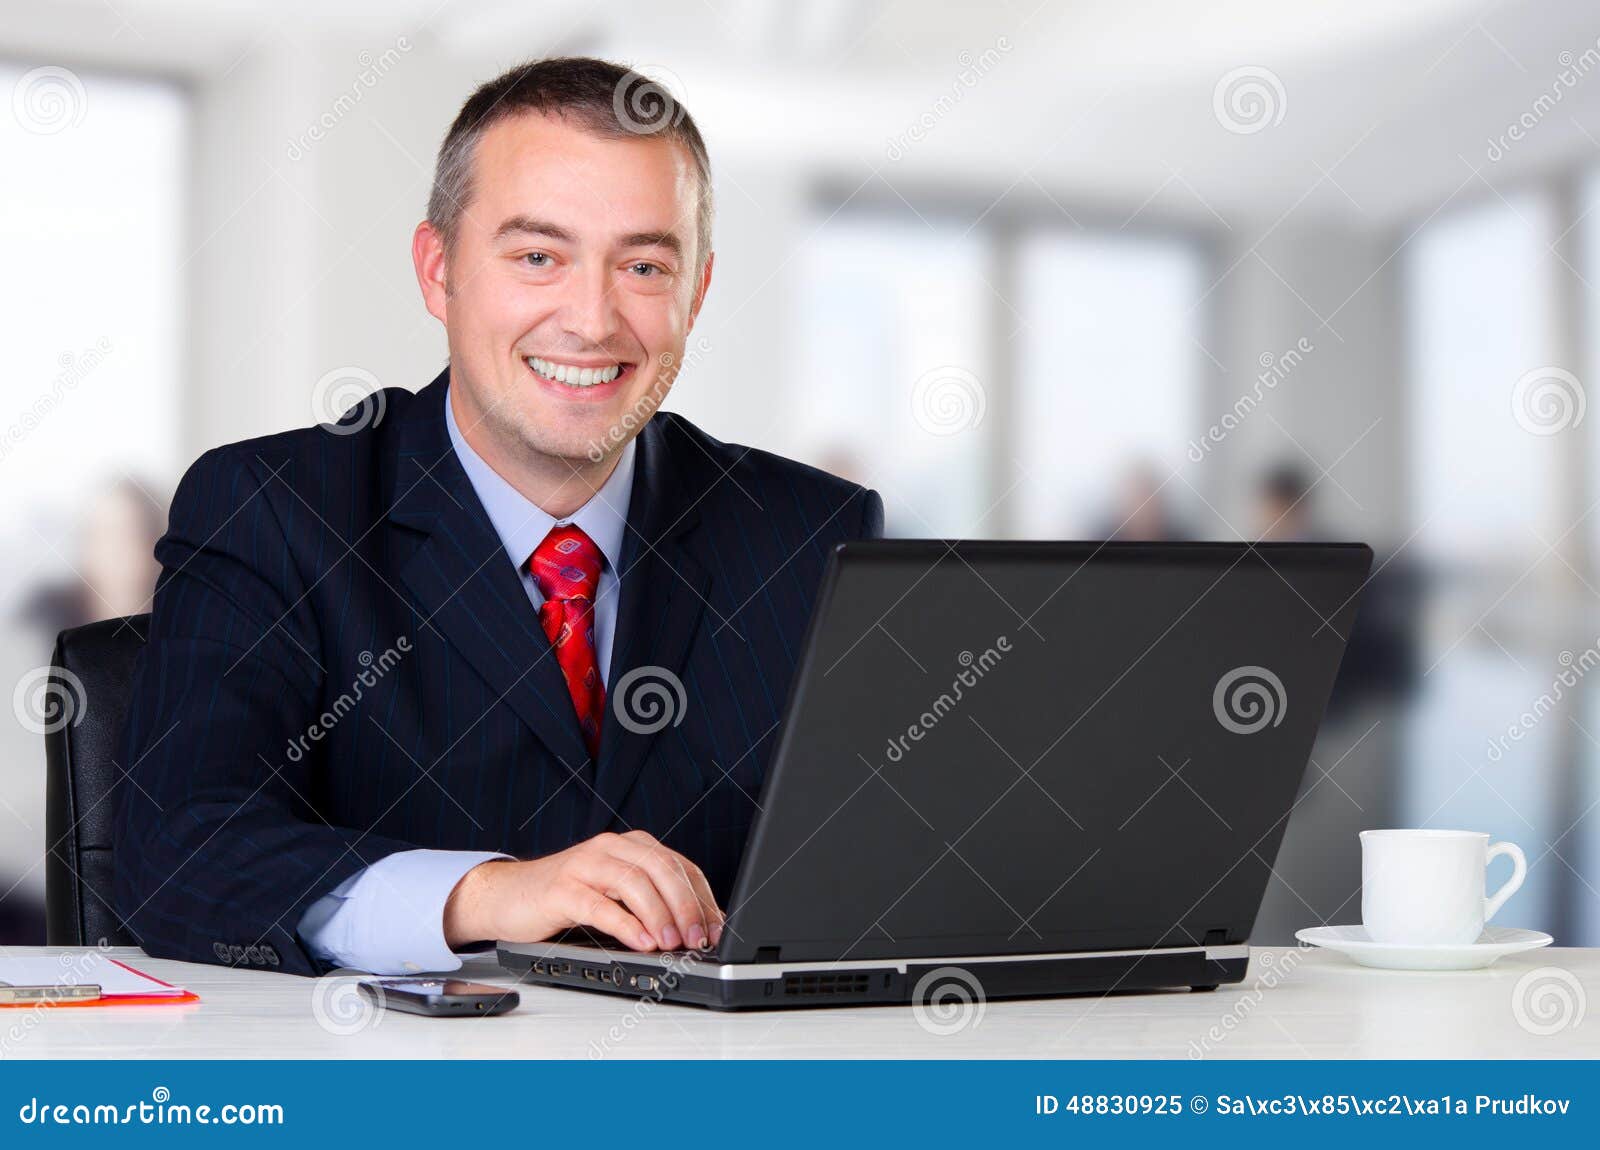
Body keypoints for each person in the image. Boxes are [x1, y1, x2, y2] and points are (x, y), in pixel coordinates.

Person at [113, 57, 884, 977]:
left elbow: (902, 862)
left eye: (643, 265)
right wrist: (488, 893)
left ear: (697, 292)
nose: (592, 321)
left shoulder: (810, 535)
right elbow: (182, 853)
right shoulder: (275, 507)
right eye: (537, 258)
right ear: (439, 272)